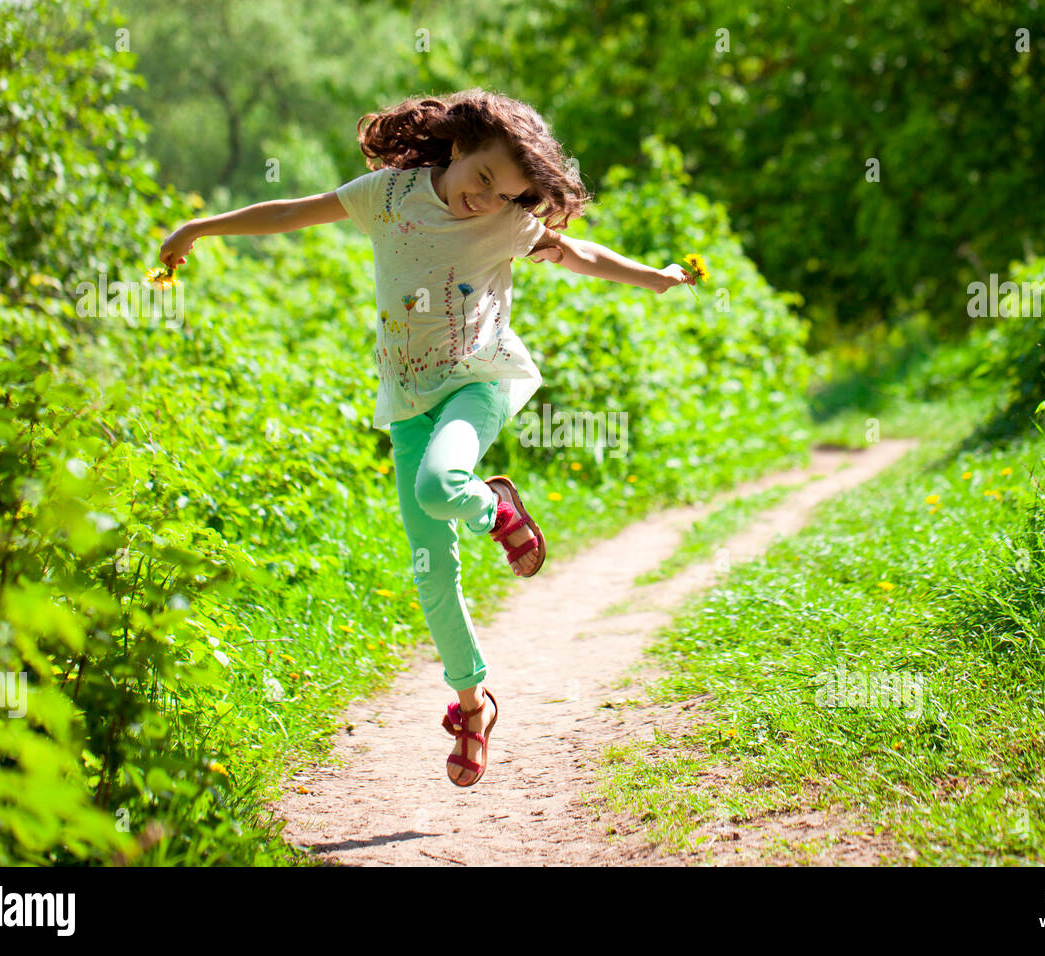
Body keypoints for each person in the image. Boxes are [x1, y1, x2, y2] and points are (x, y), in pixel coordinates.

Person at [159, 87, 695, 787]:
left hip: (479, 384)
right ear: (460, 147)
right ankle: (472, 704)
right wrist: (200, 226)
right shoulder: (389, 196)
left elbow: (578, 254)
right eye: (481, 181)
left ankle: (496, 510)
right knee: (432, 573)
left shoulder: (506, 223)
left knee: (442, 485)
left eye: (505, 195)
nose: (486, 200)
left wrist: (651, 278)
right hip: (409, 404)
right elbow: (294, 212)